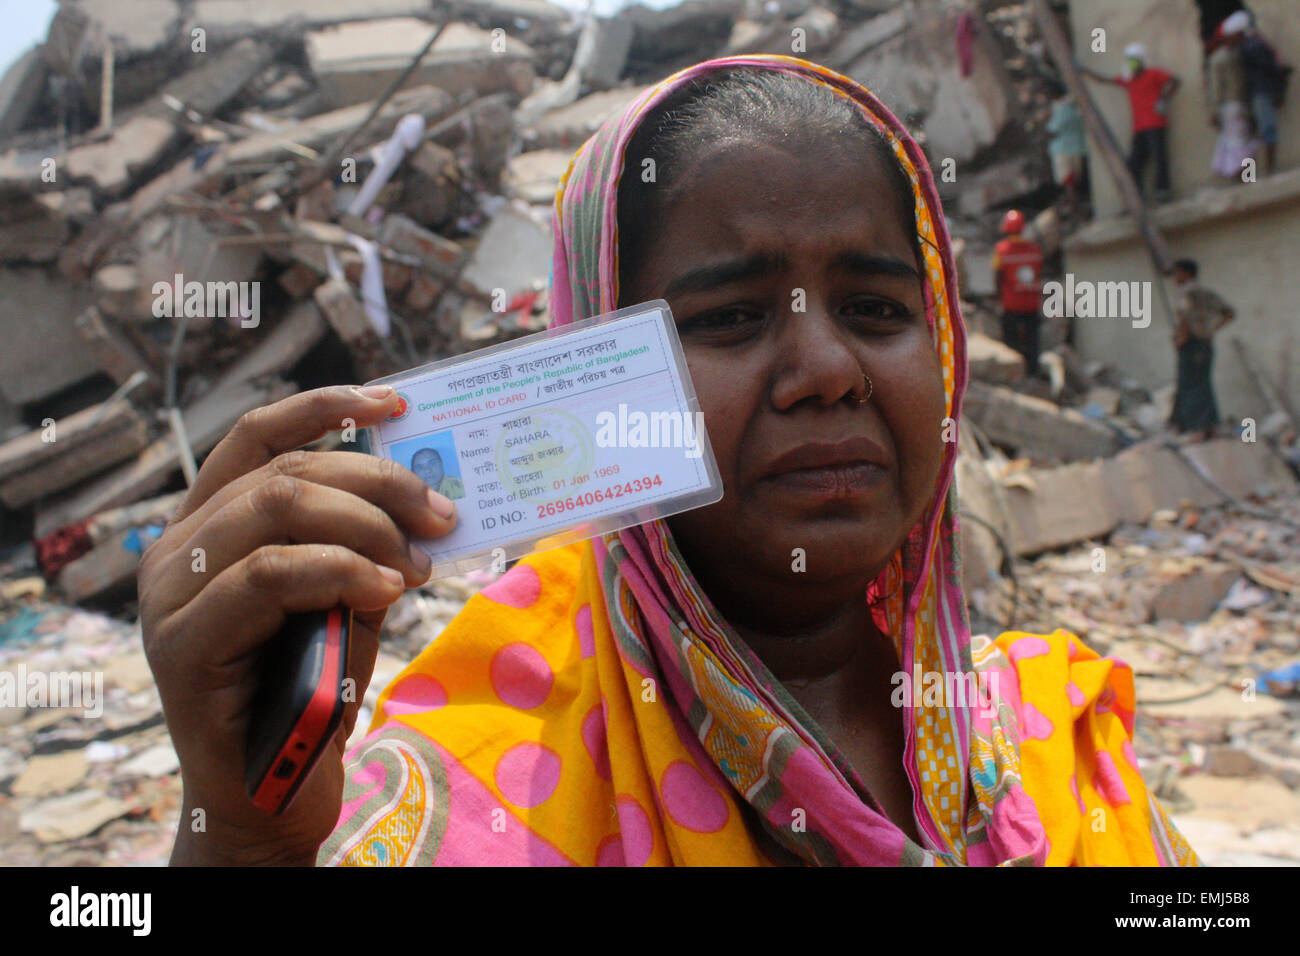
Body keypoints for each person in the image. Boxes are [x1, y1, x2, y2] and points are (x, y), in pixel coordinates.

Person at [140, 55, 1199, 867]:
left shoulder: (1046, 737)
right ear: (595, 358)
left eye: (877, 309)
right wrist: (241, 841)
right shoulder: (478, 769)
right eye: (731, 316)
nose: (826, 368)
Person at [1082, 42, 1180, 202]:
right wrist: (1084, 71)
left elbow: (1175, 81)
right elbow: (1104, 80)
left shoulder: (1153, 74)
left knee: (1159, 159)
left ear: (1141, 60)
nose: (1131, 63)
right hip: (1139, 128)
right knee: (1134, 164)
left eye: (1133, 60)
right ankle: (1136, 197)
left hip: (1155, 123)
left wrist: (1164, 99)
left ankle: (1163, 192)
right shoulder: (1129, 79)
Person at [1169, 258, 1234, 441]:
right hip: (1205, 343)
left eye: (1177, 272)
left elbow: (1184, 317)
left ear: (1186, 274)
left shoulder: (1186, 293)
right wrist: (1211, 330)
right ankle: (1209, 426)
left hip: (1192, 344)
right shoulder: (1205, 293)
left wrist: (1181, 338)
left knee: (1190, 385)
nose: (1175, 277)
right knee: (1203, 383)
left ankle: (1196, 428)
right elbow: (1228, 313)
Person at [991, 209, 1044, 377]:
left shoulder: (1001, 249)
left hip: (1011, 303)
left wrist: (999, 296)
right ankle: (1033, 371)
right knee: (1032, 340)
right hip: (1031, 303)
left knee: (1011, 340)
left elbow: (998, 276)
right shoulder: (1035, 249)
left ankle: (1015, 373)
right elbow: (1038, 273)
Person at [1238, 12, 1291, 176]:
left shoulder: (1250, 45)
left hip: (1256, 92)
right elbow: (1267, 66)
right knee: (1266, 131)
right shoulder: (1253, 45)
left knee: (1255, 135)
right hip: (1260, 92)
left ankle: (1253, 175)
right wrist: (1281, 72)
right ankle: (1267, 170)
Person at [1207, 13, 1256, 180]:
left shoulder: (1228, 55)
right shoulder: (1229, 56)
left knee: (1238, 142)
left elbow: (1216, 87)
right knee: (1241, 142)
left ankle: (1245, 177)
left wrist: (1214, 111)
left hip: (1234, 105)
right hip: (1233, 105)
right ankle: (1246, 177)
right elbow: (1216, 86)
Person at [1046, 87, 1087, 213]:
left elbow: (1051, 130)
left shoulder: (1060, 110)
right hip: (1078, 147)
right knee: (1075, 179)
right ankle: (1075, 203)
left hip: (1063, 150)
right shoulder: (1076, 109)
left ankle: (1074, 206)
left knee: (1068, 181)